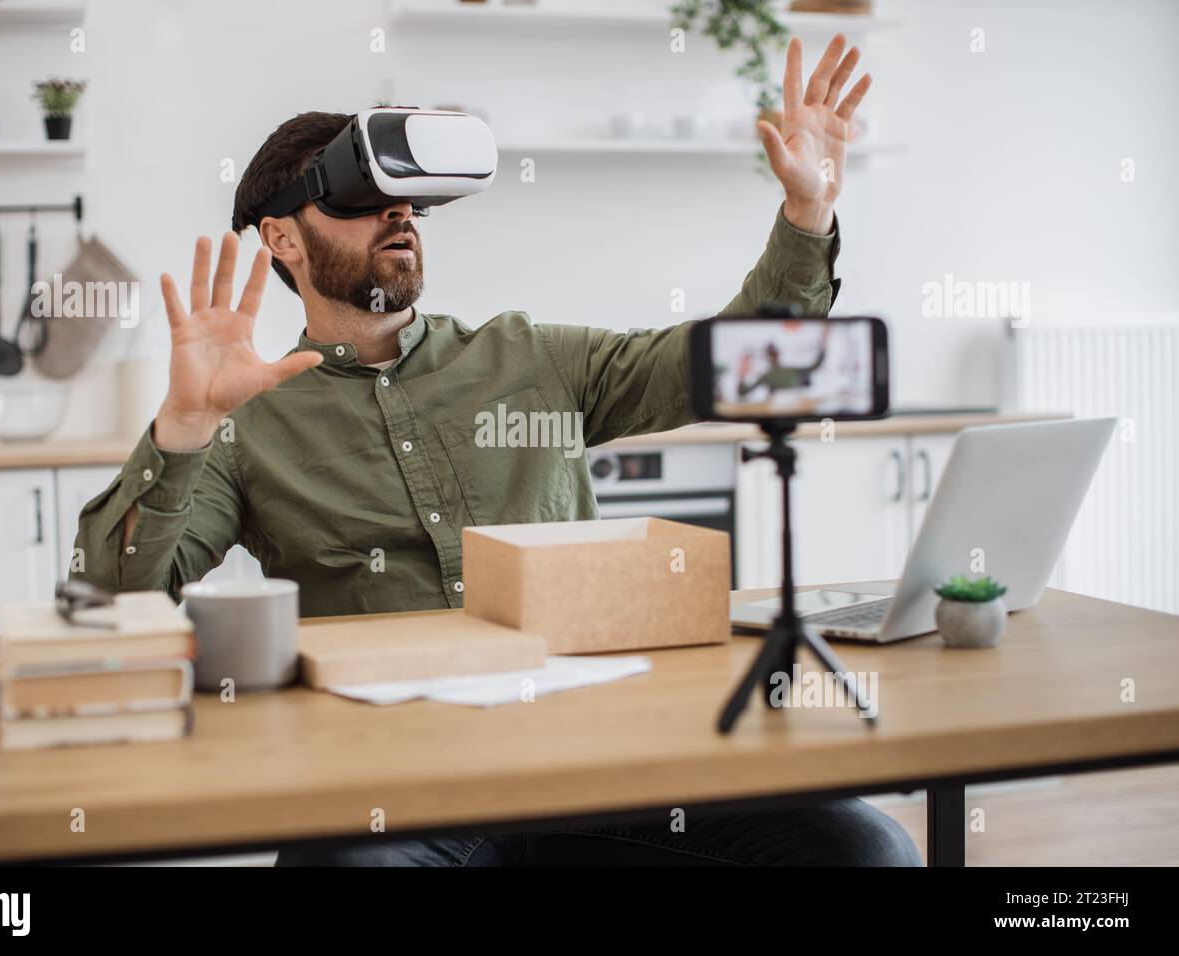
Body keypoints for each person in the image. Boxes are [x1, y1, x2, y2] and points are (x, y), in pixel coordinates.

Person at [72, 34, 919, 866]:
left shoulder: (529, 357)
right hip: (392, 783)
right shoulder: (246, 423)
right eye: (361, 199)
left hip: (593, 754)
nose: (398, 215)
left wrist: (807, 215)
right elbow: (117, 598)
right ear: (283, 240)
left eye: (405, 198)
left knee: (864, 846)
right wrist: (181, 432)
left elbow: (727, 364)